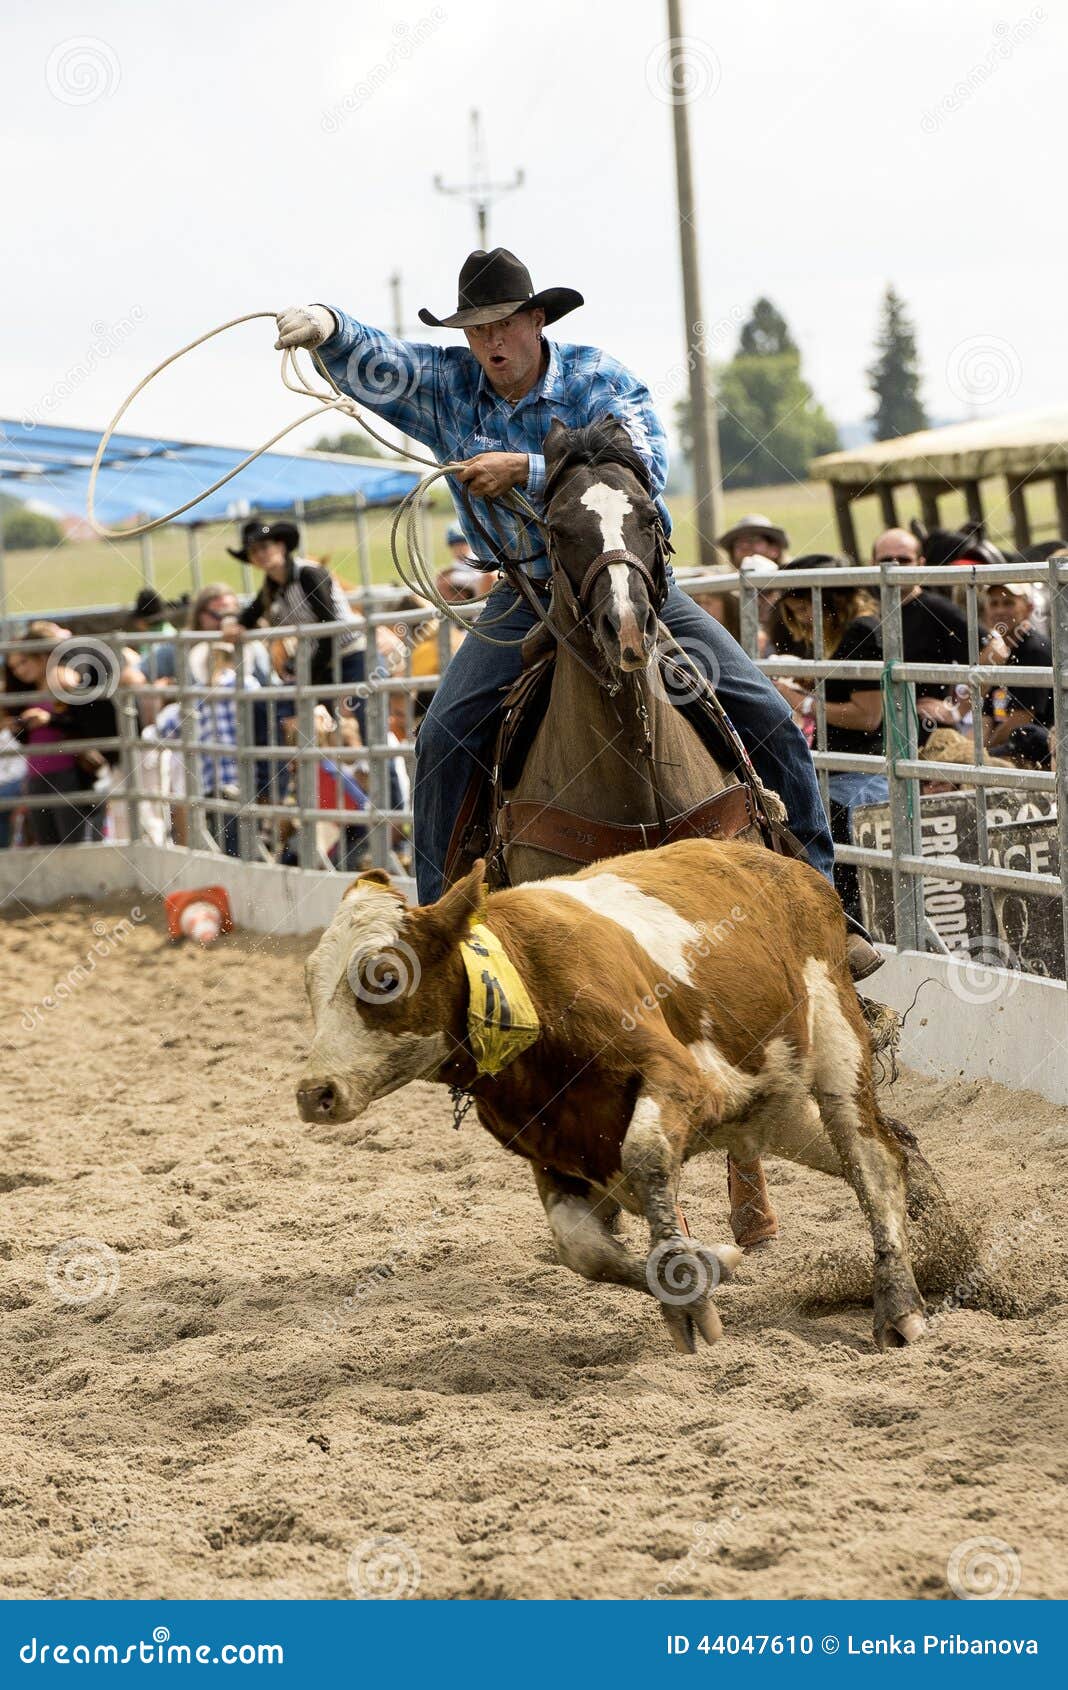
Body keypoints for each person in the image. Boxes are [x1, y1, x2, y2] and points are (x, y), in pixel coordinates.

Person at [273, 249, 844, 944]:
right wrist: (330, 326)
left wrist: (529, 468)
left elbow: (643, 467)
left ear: (536, 320)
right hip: (527, 590)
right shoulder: (450, 387)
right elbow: (386, 362)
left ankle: (825, 908)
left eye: (504, 325)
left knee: (769, 716)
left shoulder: (597, 378)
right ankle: (438, 927)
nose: (490, 343)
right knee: (444, 735)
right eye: (476, 330)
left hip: (627, 578)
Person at [769, 555, 886, 922]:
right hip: (844, 772)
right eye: (795, 609)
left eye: (805, 606)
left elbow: (868, 715)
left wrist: (801, 702)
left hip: (859, 776)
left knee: (820, 842)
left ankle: (842, 923)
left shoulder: (861, 633)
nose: (803, 618)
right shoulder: (853, 632)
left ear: (831, 598)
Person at [871, 528, 1007, 742]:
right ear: (872, 565)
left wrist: (957, 709)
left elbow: (996, 650)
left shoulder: (935, 609)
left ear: (920, 564)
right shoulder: (870, 612)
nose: (894, 566)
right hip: (878, 736)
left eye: (904, 560)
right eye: (886, 559)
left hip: (925, 737)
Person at [224, 520, 365, 722]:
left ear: (280, 546)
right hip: (323, 660)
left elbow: (329, 625)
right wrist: (232, 623)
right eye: (253, 552)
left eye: (264, 547)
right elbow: (251, 614)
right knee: (327, 721)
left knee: (364, 716)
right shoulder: (272, 586)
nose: (260, 555)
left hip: (351, 653)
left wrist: (308, 673)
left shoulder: (309, 574)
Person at [2, 621, 119, 845]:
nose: (20, 671)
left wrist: (50, 720)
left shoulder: (67, 682)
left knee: (76, 843)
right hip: (37, 776)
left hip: (69, 773)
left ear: (43, 657)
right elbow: (28, 739)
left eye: (24, 662)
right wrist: (18, 726)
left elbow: (86, 724)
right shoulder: (26, 693)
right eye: (15, 667)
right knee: (48, 845)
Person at [980, 580, 1054, 747]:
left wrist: (982, 753)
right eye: (994, 603)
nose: (999, 610)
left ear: (1028, 608)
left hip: (1035, 750)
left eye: (1008, 603)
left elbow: (1021, 719)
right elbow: (987, 713)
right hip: (1010, 745)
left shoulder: (1034, 651)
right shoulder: (1002, 652)